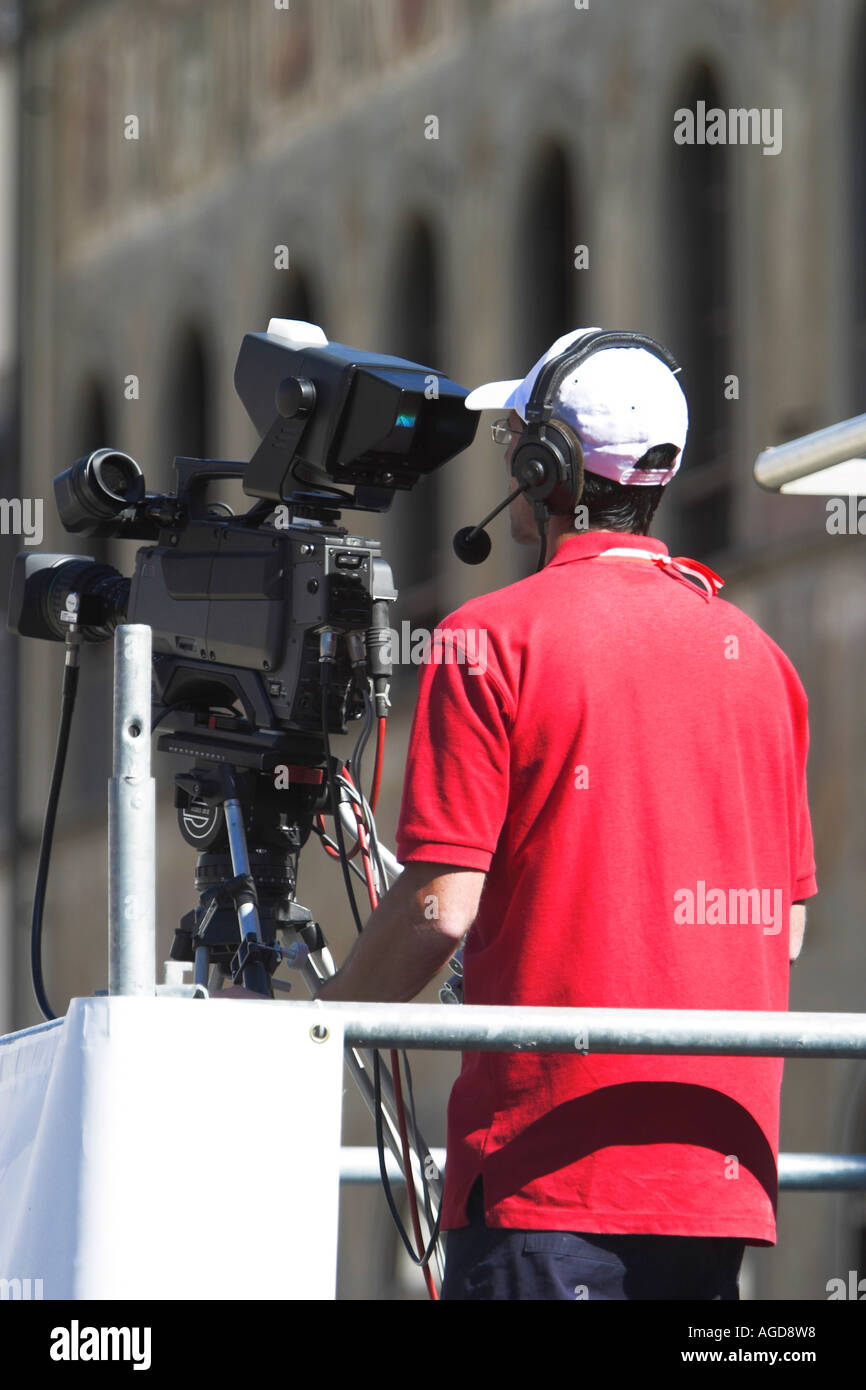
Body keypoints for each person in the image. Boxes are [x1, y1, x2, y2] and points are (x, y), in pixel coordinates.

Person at [315, 327, 817, 1301]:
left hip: (547, 1178)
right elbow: (783, 928)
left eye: (516, 437)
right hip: (716, 1183)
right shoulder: (761, 660)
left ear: (542, 467)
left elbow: (439, 908)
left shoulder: (485, 640)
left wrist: (317, 1027)